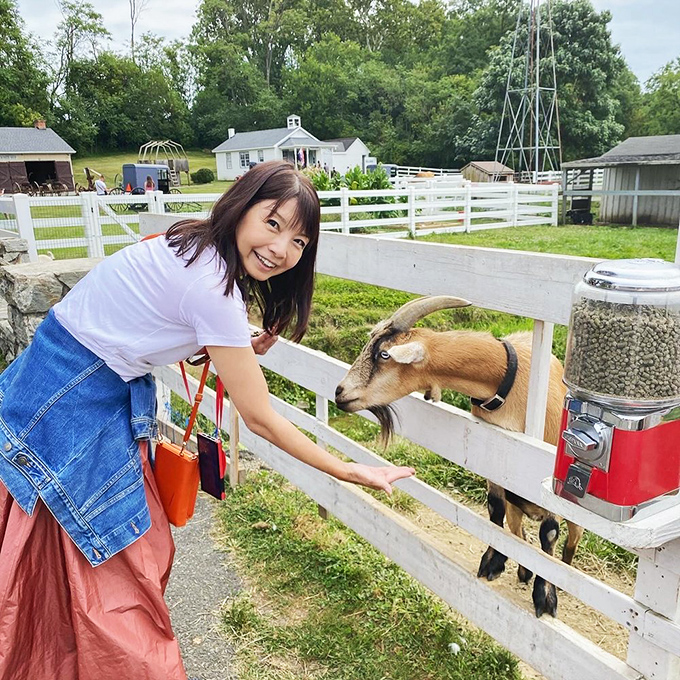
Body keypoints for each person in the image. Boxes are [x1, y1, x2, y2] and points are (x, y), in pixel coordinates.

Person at [0, 160, 415, 680]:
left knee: (59, 551)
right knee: (116, 573)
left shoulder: (191, 244)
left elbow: (155, 316)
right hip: (75, 399)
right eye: (273, 223)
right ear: (241, 207)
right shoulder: (215, 289)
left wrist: (231, 340)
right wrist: (351, 470)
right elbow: (260, 419)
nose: (284, 249)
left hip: (54, 380)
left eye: (301, 241)